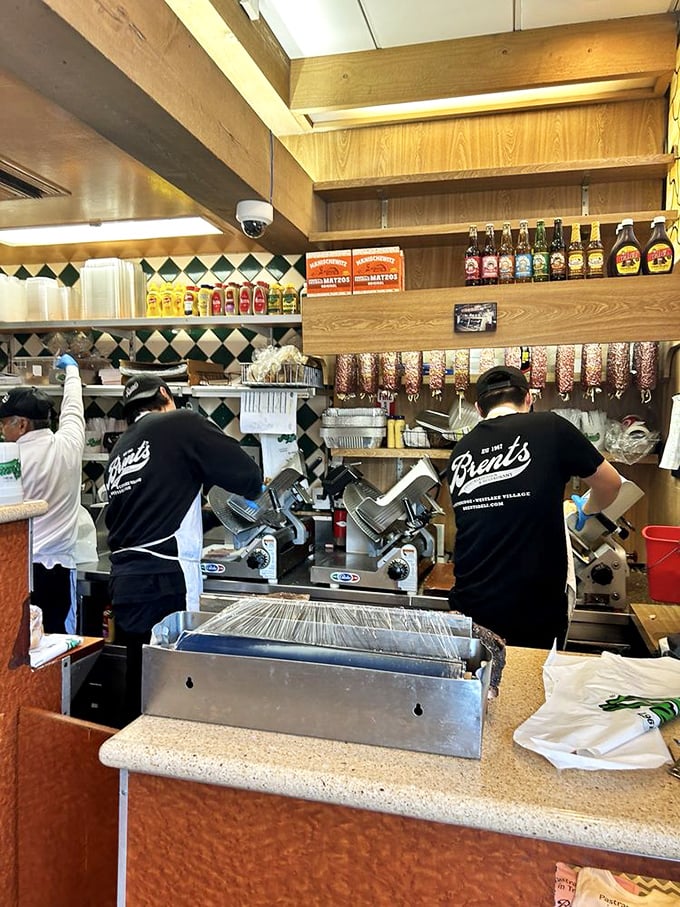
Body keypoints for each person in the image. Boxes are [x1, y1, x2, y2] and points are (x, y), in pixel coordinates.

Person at [104, 374, 262, 723]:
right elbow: (249, 478)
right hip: (165, 582)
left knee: (142, 693)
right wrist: (253, 496)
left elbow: (155, 512)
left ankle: (132, 773)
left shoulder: (121, 447)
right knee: (171, 697)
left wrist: (209, 516)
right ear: (165, 394)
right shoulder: (181, 423)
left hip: (127, 584)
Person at [446, 365, 622, 649]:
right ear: (528, 399)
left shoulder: (460, 451)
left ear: (478, 408)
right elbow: (611, 484)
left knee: (480, 688)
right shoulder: (551, 427)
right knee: (531, 688)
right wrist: (587, 509)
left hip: (470, 605)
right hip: (532, 609)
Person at [0, 354, 85, 633]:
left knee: (19, 651)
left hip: (15, 569)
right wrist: (72, 371)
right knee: (58, 647)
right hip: (58, 571)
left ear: (22, 424)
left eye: (5, 423)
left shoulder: (8, 460)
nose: (2, 430)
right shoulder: (70, 443)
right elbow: (73, 408)